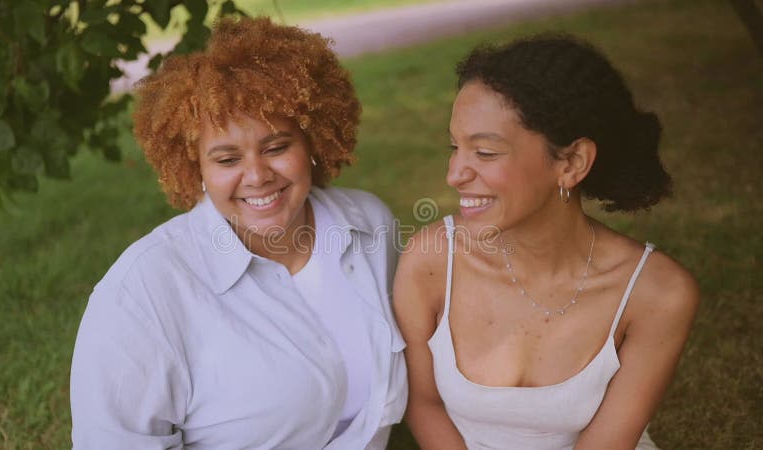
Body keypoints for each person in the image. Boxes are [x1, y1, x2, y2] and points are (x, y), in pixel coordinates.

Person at [70, 17, 407, 449]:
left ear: (313, 140)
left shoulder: (370, 224)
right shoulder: (144, 291)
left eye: (277, 147)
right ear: (196, 168)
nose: (257, 176)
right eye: (227, 160)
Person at [394, 34, 699, 450]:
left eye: (484, 152)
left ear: (572, 163)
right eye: (455, 147)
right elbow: (425, 404)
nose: (455, 174)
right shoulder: (430, 263)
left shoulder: (657, 293)